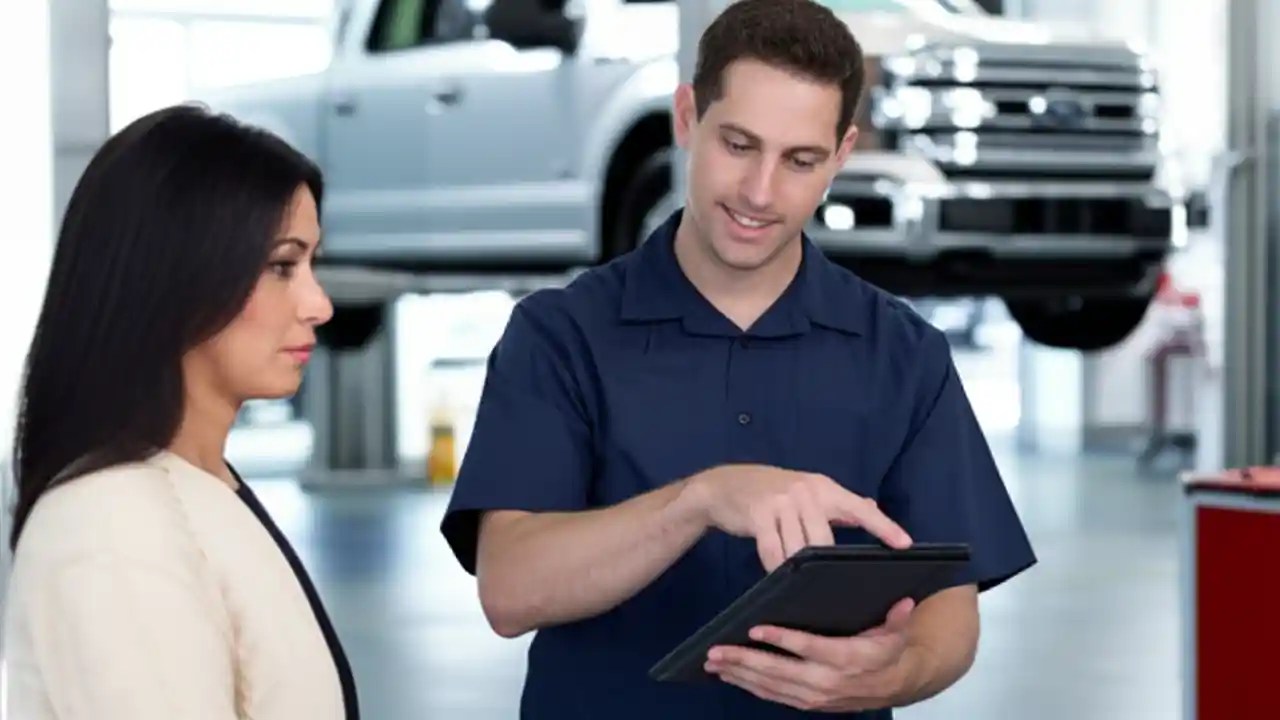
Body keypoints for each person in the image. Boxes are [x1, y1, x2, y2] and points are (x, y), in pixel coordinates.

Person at [441, 0, 1037, 717]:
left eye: (800, 160)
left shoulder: (905, 355)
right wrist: (702, 499)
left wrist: (893, 673)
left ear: (842, 155)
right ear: (687, 117)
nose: (760, 192)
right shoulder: (559, 336)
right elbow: (511, 589)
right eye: (738, 144)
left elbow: (950, 608)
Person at [3, 104, 359, 720]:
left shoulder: (197, 489)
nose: (318, 304)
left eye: (311, 264)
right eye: (282, 265)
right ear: (179, 276)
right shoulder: (110, 522)